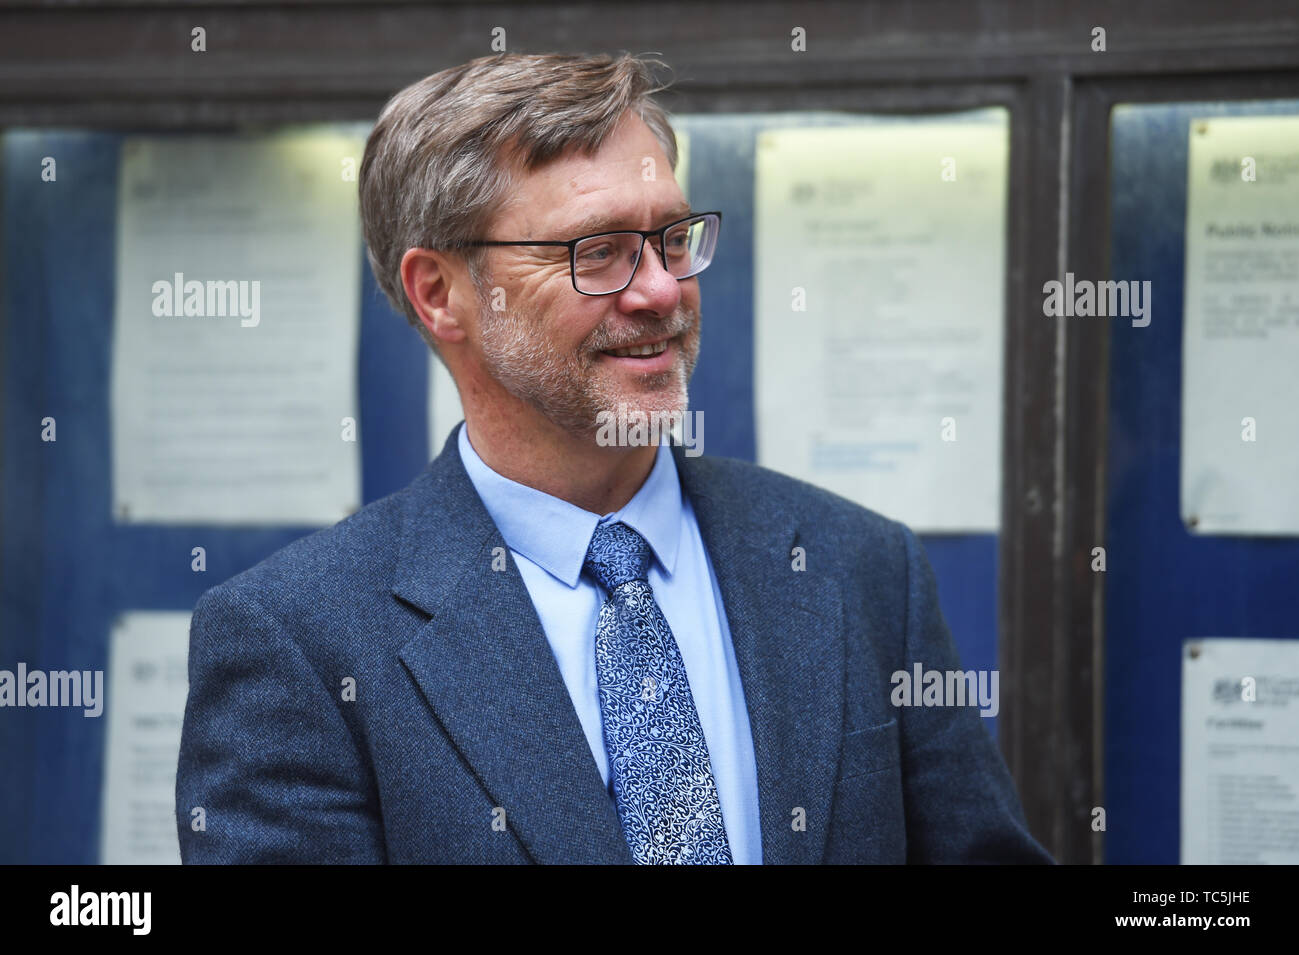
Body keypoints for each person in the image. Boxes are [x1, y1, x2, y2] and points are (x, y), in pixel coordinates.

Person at [175, 51, 1051, 865]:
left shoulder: (858, 567)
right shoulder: (299, 642)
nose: (662, 290)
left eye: (673, 239)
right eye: (597, 252)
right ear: (440, 293)